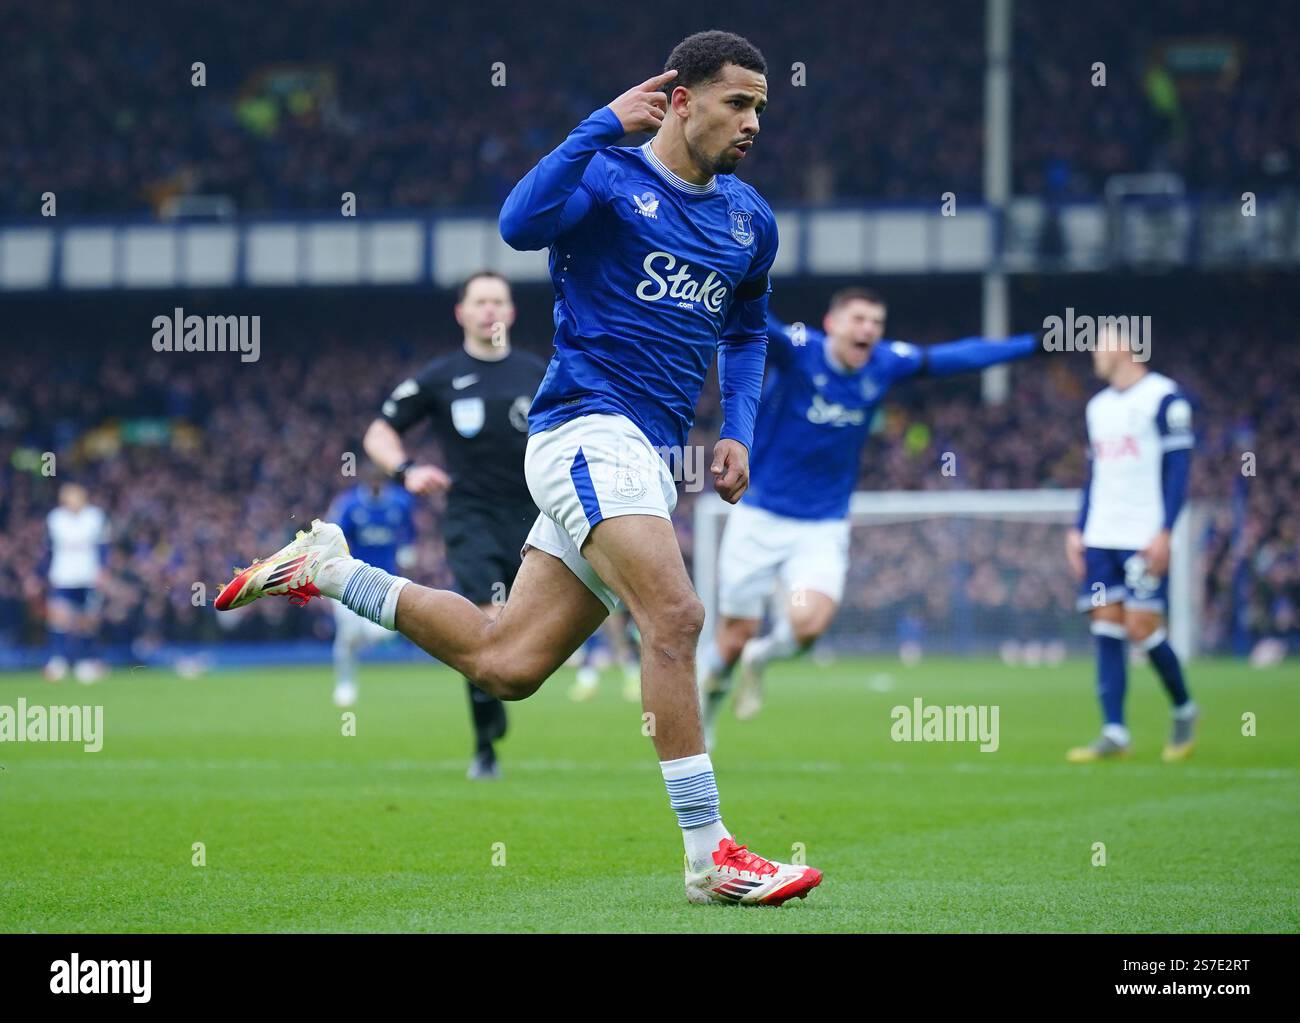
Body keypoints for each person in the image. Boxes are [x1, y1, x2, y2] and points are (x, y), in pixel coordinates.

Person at [216, 31, 822, 905]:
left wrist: (742, 427)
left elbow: (748, 329)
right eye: (738, 101)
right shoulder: (609, 177)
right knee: (678, 614)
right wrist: (596, 126)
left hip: (648, 457)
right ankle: (710, 853)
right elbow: (518, 224)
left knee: (508, 663)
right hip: (584, 430)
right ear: (680, 99)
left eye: (762, 105)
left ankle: (330, 568)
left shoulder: (748, 218)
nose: (754, 120)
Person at [700, 289, 1038, 743]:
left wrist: (1033, 343)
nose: (869, 330)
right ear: (832, 322)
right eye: (859, 319)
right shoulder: (800, 352)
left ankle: (762, 657)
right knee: (733, 637)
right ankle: (707, 711)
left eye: (877, 322)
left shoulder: (884, 363)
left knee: (809, 626)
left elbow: (957, 357)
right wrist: (727, 278)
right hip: (760, 515)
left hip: (822, 524)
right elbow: (755, 322)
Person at [363, 270, 547, 779]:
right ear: (461, 313)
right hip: (472, 519)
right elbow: (379, 431)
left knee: (522, 636)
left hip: (539, 520)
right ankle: (485, 745)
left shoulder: (540, 374)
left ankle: (497, 692)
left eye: (498, 302)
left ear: (511, 313)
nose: (489, 310)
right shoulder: (439, 376)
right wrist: (407, 470)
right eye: (479, 302)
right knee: (486, 622)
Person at [1065, 328, 1197, 762]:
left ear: (1125, 347)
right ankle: (1115, 732)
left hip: (1142, 535)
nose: (1093, 354)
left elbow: (1179, 468)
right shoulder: (1097, 407)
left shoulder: (1164, 398)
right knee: (1105, 624)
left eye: (1099, 345)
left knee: (1141, 628)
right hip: (1101, 535)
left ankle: (1183, 708)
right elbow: (1093, 473)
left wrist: (1165, 531)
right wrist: (1078, 529)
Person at [325, 462, 415, 711]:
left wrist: (408, 550)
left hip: (385, 580)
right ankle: (345, 684)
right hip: (350, 579)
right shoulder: (350, 505)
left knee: (383, 633)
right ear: (364, 478)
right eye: (371, 478)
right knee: (347, 633)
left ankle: (358, 640)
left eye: (380, 479)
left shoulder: (400, 502)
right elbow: (334, 538)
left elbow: (409, 530)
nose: (375, 483)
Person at [44, 483, 108, 684]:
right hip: (63, 575)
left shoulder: (95, 516)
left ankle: (85, 661)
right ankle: (59, 660)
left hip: (88, 575)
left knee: (86, 620)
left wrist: (102, 570)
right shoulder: (55, 518)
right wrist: (44, 572)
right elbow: (49, 548)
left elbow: (103, 546)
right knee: (59, 618)